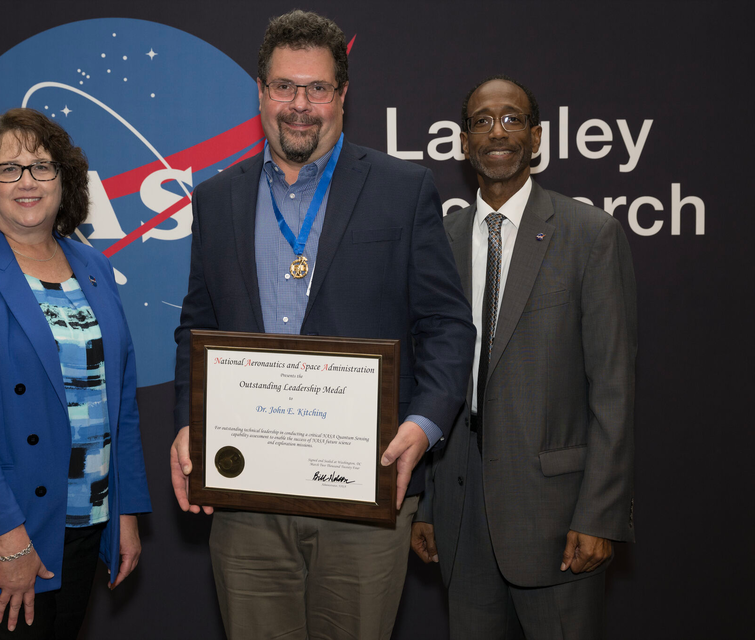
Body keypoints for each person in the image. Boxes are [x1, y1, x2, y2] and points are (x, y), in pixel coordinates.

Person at [170, 10, 475, 639]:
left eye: (316, 88)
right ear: (260, 92)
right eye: (284, 86)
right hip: (245, 494)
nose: (299, 105)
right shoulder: (218, 198)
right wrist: (186, 423)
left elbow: (446, 323)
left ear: (341, 95)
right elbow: (196, 327)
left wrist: (423, 426)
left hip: (367, 493)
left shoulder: (403, 189)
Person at [0, 108, 151, 639]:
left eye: (42, 166)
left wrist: (125, 512)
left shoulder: (95, 268)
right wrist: (11, 541)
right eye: (9, 168)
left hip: (85, 529)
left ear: (64, 181)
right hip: (0, 536)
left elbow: (120, 403)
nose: (27, 181)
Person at [412, 76, 637, 639]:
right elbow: (433, 380)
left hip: (559, 519)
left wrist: (598, 514)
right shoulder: (442, 239)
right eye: (482, 121)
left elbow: (613, 388)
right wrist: (428, 506)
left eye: (511, 119)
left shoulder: (591, 235)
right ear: (463, 142)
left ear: (536, 138)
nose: (498, 132)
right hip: (462, 522)